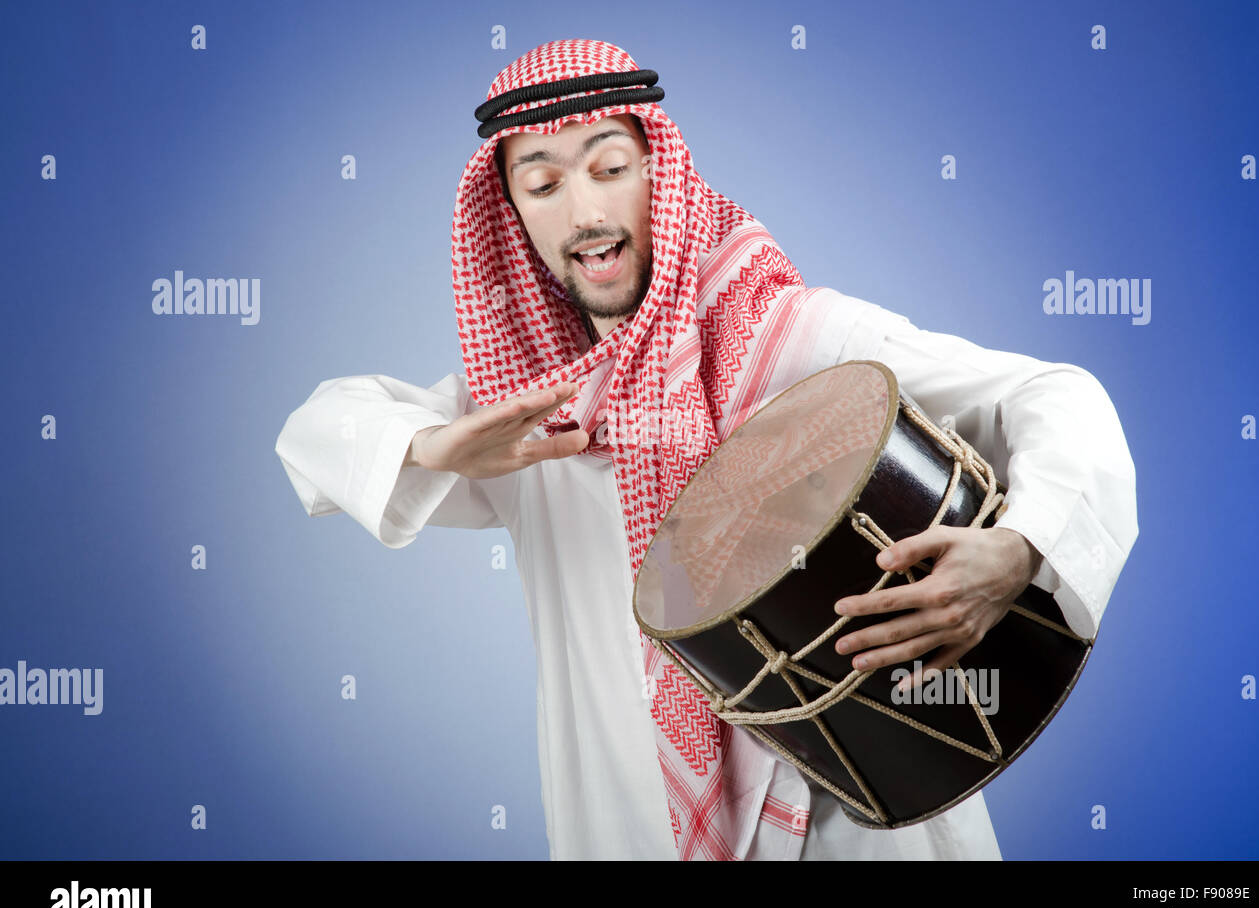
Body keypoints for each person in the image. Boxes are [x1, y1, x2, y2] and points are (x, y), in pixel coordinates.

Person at [274, 39, 1139, 860]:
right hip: (631, 827)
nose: (585, 212)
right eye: (541, 185)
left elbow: (1053, 395)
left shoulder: (798, 343)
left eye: (610, 169)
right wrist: (433, 445)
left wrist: (1020, 549)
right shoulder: (523, 420)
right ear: (511, 217)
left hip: (864, 834)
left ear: (660, 171)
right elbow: (316, 435)